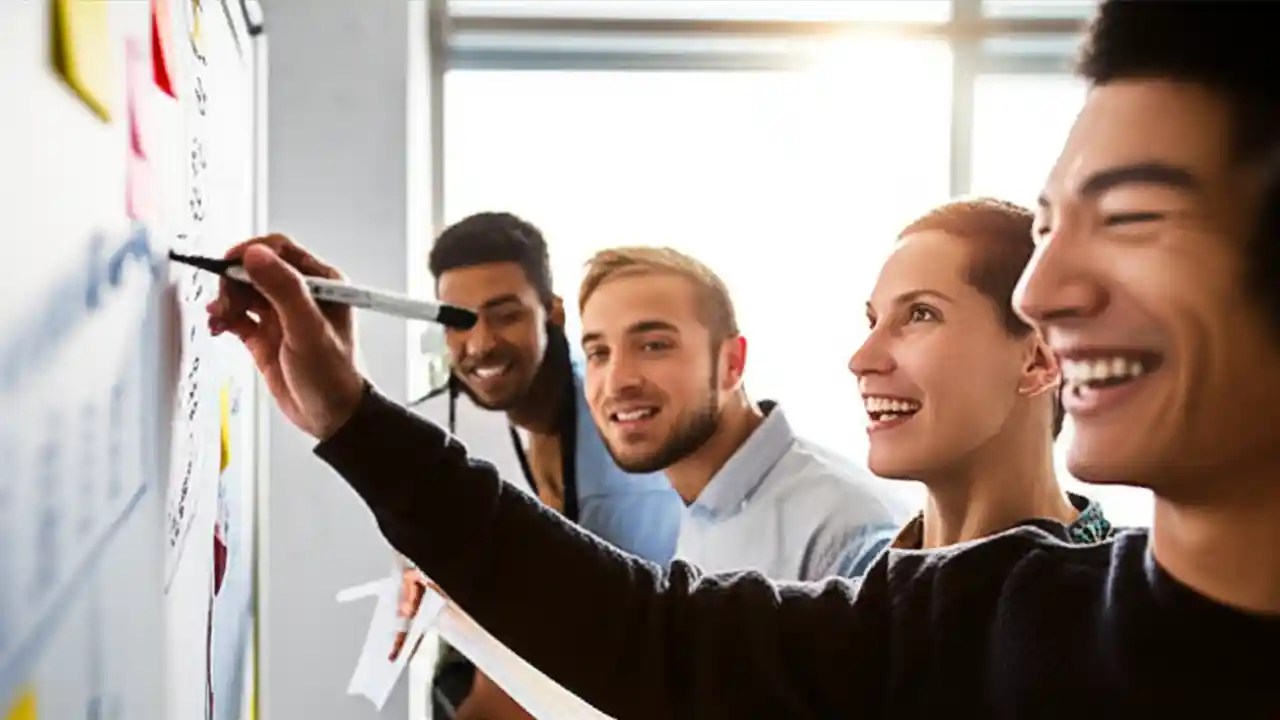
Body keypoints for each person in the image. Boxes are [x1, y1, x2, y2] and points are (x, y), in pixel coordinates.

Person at [208, 2, 1280, 715]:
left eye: (1133, 217)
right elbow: (653, 633)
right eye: (1048, 231)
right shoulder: (994, 611)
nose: (1047, 293)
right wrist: (351, 418)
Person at [395, 213, 683, 718]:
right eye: (457, 321)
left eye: (505, 315)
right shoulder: (439, 426)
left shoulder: (629, 414)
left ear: (553, 313)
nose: (480, 343)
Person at [577, 246, 909, 580]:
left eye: (654, 346)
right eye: (599, 353)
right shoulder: (694, 508)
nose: (617, 381)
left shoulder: (843, 531)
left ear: (732, 363)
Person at [851, 198, 1114, 549]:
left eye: (920, 314)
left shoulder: (1138, 583)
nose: (861, 360)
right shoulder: (859, 584)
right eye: (873, 322)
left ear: (1039, 360)